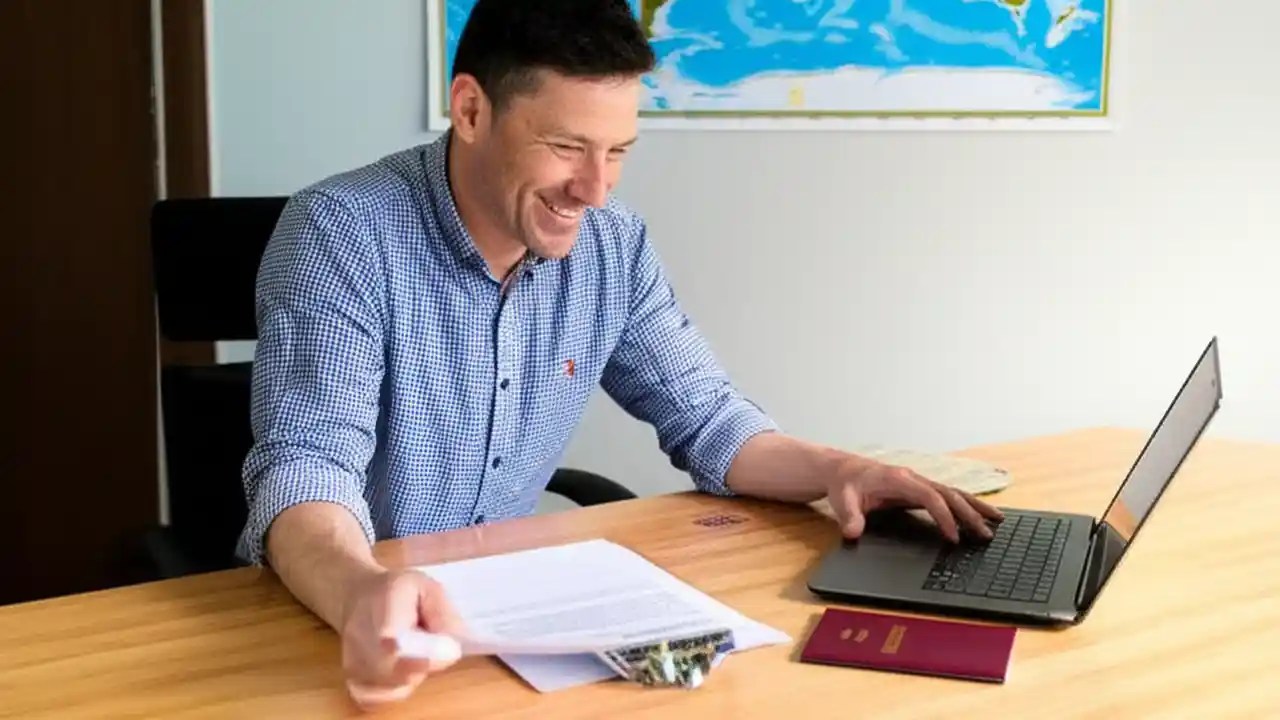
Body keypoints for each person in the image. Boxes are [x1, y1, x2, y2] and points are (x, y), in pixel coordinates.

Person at [236, 0, 1003, 708]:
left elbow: (710, 420)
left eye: (618, 152)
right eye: (567, 147)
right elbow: (308, 463)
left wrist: (841, 470)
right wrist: (362, 589)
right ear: (470, 109)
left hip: (499, 629)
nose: (594, 191)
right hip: (339, 622)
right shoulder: (341, 235)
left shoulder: (612, 247)